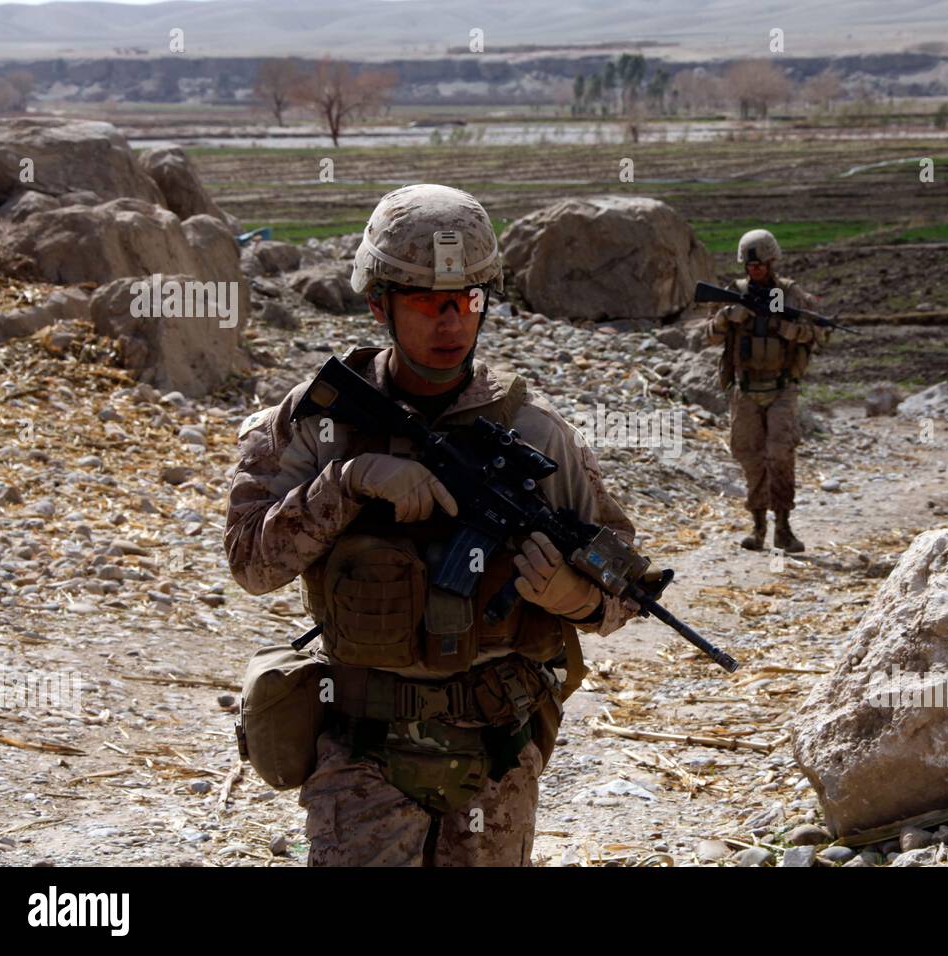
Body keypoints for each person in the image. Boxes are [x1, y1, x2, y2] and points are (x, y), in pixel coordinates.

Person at [224, 184, 636, 866]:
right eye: (425, 301)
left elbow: (627, 577)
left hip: (497, 755)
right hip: (361, 752)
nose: (451, 322)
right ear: (377, 303)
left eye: (469, 300)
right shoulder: (321, 421)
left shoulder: (536, 435)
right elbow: (251, 565)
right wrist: (346, 483)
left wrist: (582, 598)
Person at [706, 228, 827, 553]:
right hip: (745, 388)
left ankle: (783, 528)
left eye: (760, 264)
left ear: (772, 261)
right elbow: (710, 335)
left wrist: (788, 329)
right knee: (750, 456)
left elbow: (820, 336)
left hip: (781, 388)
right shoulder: (736, 293)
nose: (754, 270)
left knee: (780, 454)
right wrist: (727, 318)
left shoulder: (790, 294)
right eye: (750, 265)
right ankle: (758, 527)